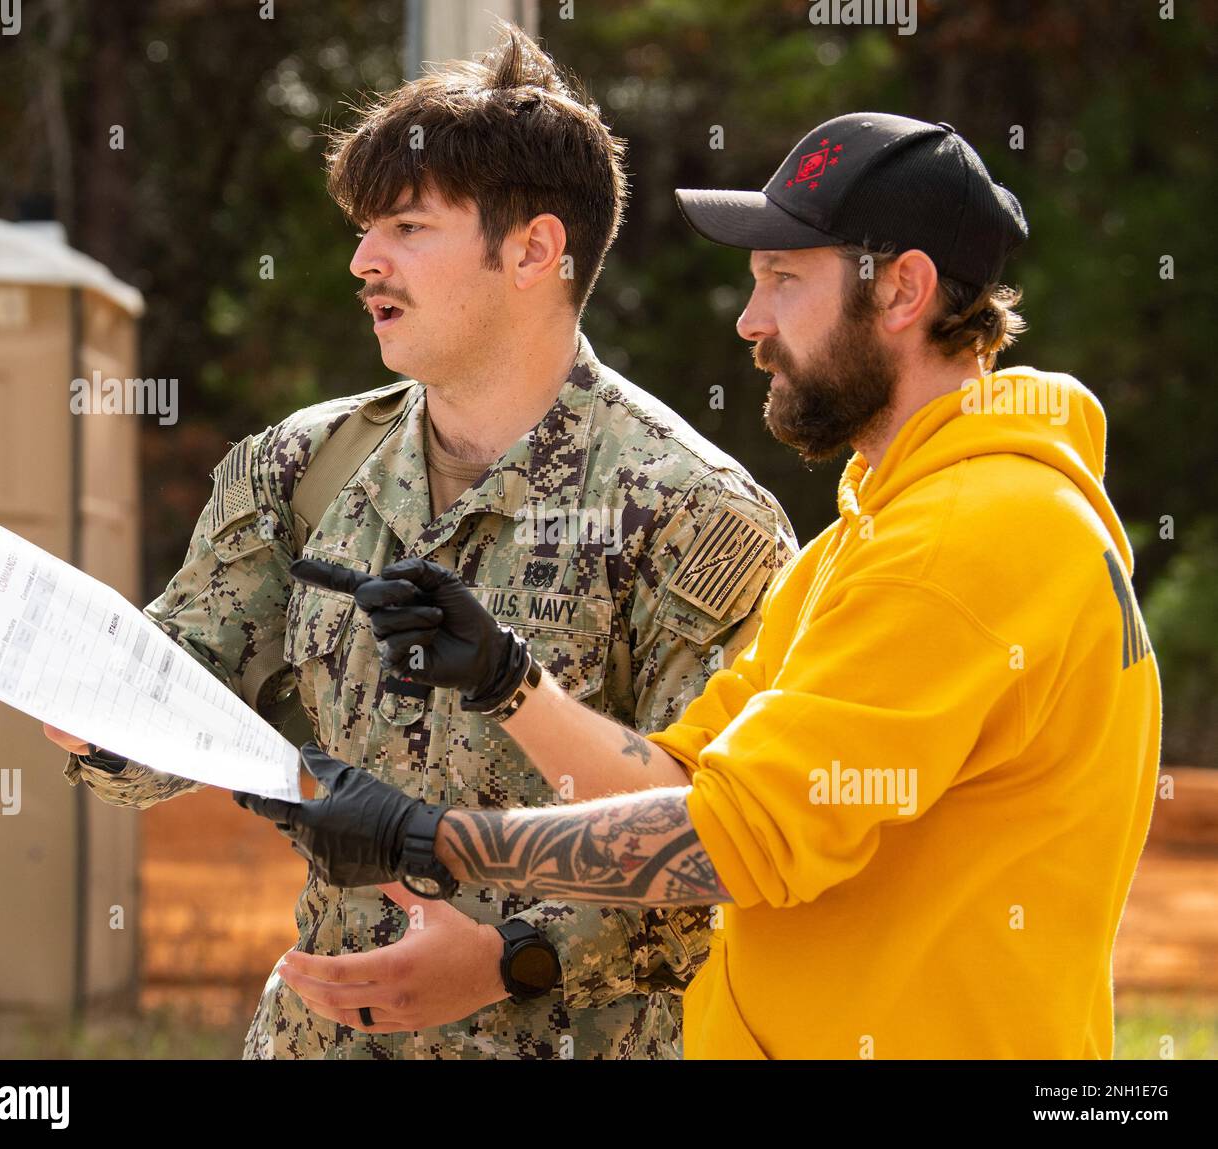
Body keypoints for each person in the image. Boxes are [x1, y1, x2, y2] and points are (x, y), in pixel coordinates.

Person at [238, 113, 1162, 1060]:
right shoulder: (879, 536)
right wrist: (507, 682)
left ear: (903, 289)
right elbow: (686, 780)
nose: (750, 321)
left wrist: (425, 837)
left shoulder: (967, 535)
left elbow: (726, 843)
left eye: (784, 280)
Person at [43, 25, 795, 1060]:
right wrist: (96, 718)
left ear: (533, 249)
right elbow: (171, 729)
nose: (362, 261)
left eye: (405, 226)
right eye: (362, 230)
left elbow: (729, 840)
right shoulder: (295, 470)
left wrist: (513, 956)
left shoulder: (698, 518)